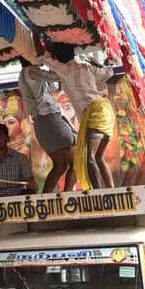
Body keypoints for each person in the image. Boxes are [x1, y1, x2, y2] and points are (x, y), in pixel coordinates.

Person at [37, 43, 116, 190]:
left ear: (58, 58)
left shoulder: (64, 70)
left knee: (89, 157)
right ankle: (111, 191)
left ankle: (99, 194)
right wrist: (98, 64)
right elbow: (109, 73)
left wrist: (37, 35)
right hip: (105, 109)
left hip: (94, 112)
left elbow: (43, 57)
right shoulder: (88, 68)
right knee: (98, 157)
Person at [18, 61, 77, 193]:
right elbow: (56, 76)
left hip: (45, 121)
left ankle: (48, 198)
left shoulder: (27, 74)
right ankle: (65, 197)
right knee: (74, 163)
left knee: (61, 165)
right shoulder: (31, 71)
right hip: (49, 119)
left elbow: (52, 86)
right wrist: (54, 62)